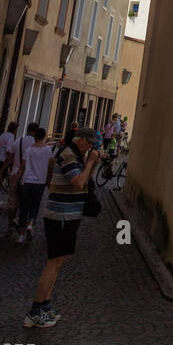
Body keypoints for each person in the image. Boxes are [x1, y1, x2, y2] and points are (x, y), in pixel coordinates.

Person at [23, 125, 101, 329]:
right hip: (60, 216)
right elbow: (78, 182)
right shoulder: (68, 155)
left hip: (68, 215)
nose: (90, 147)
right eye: (90, 143)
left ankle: (45, 305)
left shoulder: (74, 155)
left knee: (58, 263)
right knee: (53, 262)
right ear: (81, 140)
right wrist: (90, 163)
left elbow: (82, 182)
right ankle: (35, 310)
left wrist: (89, 164)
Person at [15, 127, 55, 243]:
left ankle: (21, 235)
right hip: (39, 182)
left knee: (23, 207)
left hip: (26, 181)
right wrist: (48, 179)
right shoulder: (48, 150)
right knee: (35, 205)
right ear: (44, 136)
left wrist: (16, 180)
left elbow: (22, 167)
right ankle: (30, 225)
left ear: (34, 136)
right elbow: (51, 166)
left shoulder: (28, 150)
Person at [7, 123, 38, 232]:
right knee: (25, 202)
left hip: (15, 174)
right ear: (35, 132)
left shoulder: (17, 141)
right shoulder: (36, 144)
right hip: (28, 176)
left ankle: (10, 223)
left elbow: (9, 158)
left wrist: (4, 172)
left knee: (12, 201)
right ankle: (21, 224)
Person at [0, 120, 18, 206]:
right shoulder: (10, 137)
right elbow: (8, 152)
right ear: (15, 129)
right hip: (2, 162)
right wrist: (10, 161)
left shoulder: (2, 135)